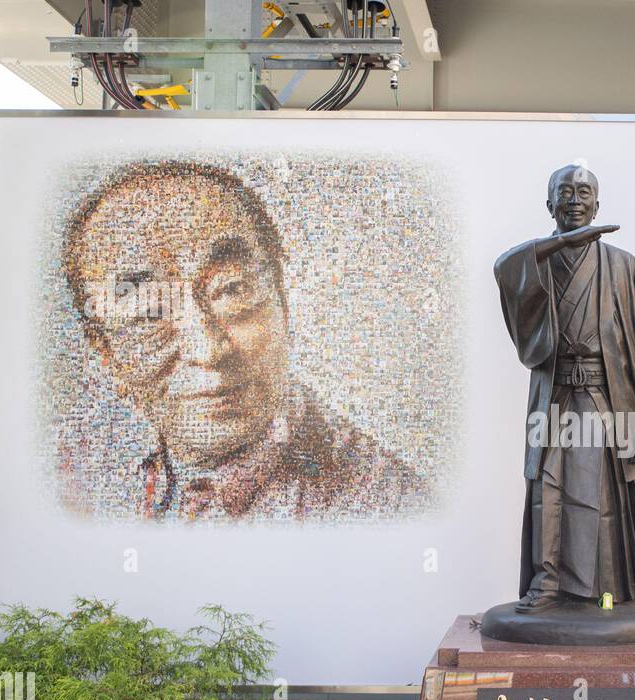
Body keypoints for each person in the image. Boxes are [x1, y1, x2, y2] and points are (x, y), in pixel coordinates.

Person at [61, 161, 423, 521]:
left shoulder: (389, 508)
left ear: (282, 301)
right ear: (107, 355)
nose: (208, 349)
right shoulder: (78, 484)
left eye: (231, 290)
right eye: (149, 313)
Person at [494, 164, 635, 612]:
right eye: (565, 192)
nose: (575, 200)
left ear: (598, 203)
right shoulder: (536, 262)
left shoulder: (621, 266)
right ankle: (547, 585)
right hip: (554, 392)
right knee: (549, 484)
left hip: (607, 394)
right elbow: (503, 269)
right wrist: (560, 244)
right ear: (550, 204)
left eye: (584, 192)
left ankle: (609, 586)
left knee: (602, 489)